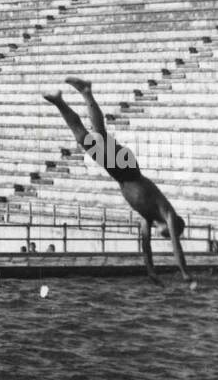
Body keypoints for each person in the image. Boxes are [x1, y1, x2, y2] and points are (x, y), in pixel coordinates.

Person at [43, 76, 192, 284]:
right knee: (98, 135)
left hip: (119, 173)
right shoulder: (166, 212)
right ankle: (86, 92)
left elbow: (146, 245)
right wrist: (185, 273)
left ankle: (60, 102)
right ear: (174, 226)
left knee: (84, 138)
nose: (166, 236)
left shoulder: (148, 218)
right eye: (169, 234)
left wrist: (151, 272)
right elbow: (177, 246)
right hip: (128, 170)